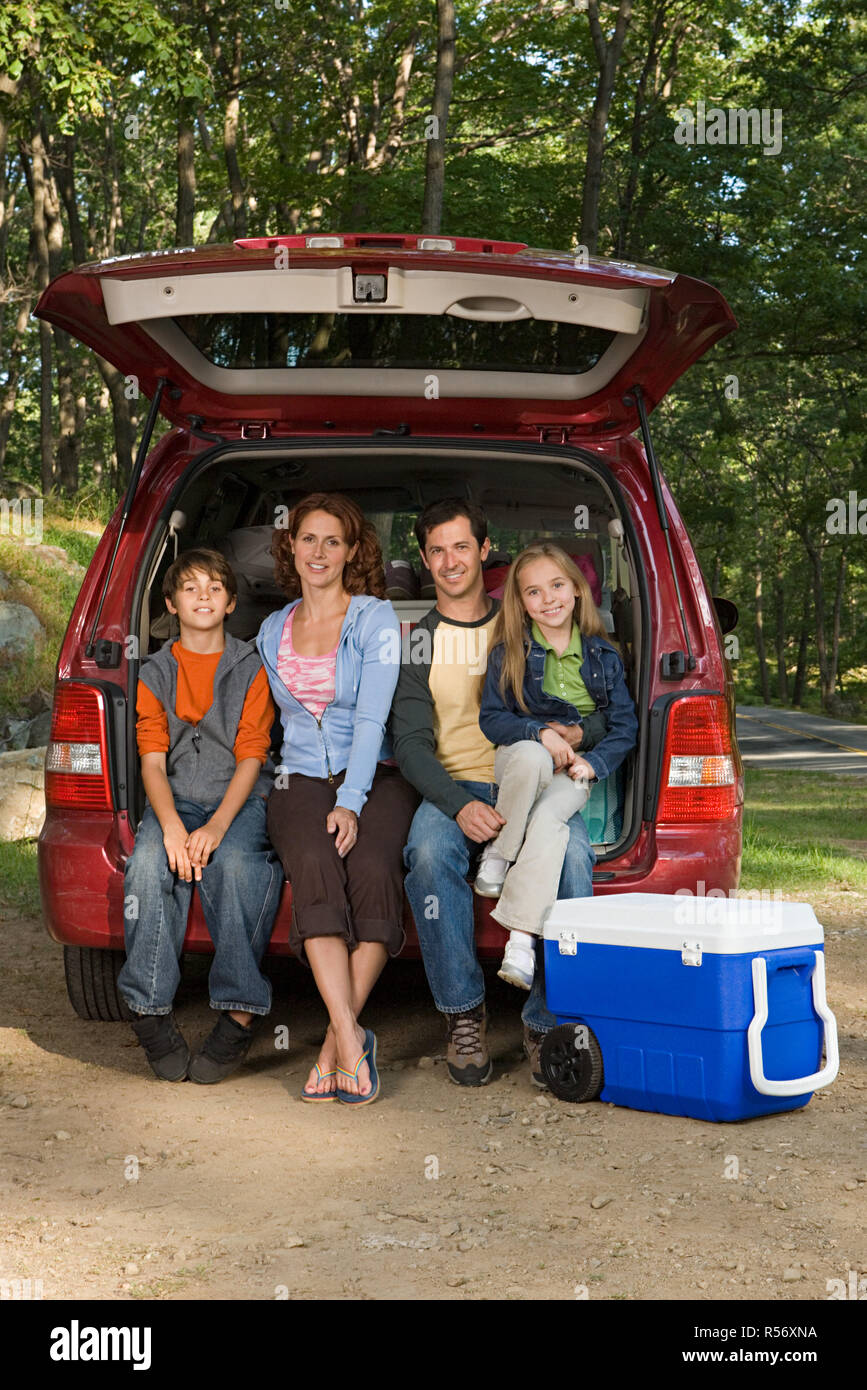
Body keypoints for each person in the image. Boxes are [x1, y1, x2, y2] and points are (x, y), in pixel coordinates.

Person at [391, 499, 598, 1088]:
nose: (450, 561)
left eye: (462, 546)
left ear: (485, 551)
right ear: (426, 560)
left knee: (575, 861)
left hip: (536, 781)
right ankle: (463, 1015)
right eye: (437, 550)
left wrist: (580, 735)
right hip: (455, 786)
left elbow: (598, 705)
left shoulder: (527, 626)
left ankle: (545, 1023)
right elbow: (408, 745)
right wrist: (459, 805)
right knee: (428, 857)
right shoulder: (418, 643)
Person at [257, 493, 418, 1106]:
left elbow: (374, 713)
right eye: (307, 539)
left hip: (376, 774)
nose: (318, 552)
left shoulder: (374, 618)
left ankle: (332, 1047)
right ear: (290, 546)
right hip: (297, 777)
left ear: (352, 552)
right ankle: (354, 1042)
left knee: (374, 869)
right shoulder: (273, 630)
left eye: (333, 541)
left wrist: (351, 798)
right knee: (318, 867)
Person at [119, 549, 282, 1084]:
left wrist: (214, 828)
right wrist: (169, 826)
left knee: (235, 867)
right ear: (170, 604)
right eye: (190, 588)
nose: (204, 596)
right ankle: (149, 1013)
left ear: (232, 602)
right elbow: (150, 758)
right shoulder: (154, 672)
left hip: (236, 801)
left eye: (215, 587)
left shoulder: (251, 667)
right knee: (147, 869)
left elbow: (252, 754)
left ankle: (238, 1011)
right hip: (174, 801)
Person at [477, 542, 638, 989]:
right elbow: (492, 718)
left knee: (550, 821)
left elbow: (626, 725)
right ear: (520, 603)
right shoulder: (509, 652)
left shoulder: (603, 657)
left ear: (579, 590)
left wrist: (594, 762)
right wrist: (540, 733)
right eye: (533, 592)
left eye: (557, 585)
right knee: (530, 754)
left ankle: (521, 939)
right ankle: (500, 852)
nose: (548, 599)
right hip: (521, 758)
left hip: (573, 769)